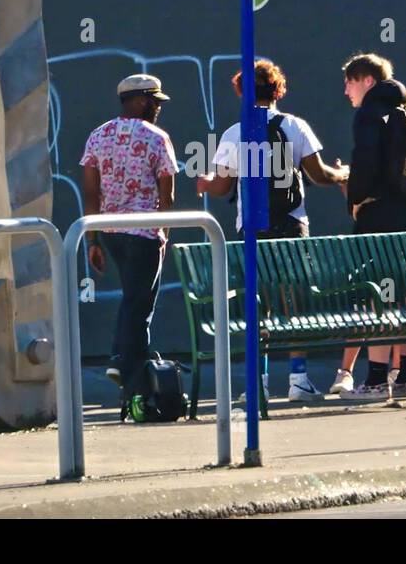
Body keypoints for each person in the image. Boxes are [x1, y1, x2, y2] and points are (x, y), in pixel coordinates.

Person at [197, 60, 349, 402]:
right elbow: (320, 175)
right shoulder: (295, 126)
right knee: (294, 300)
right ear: (278, 90)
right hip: (292, 225)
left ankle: (258, 384)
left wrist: (205, 183)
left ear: (242, 92)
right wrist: (343, 175)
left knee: (257, 302)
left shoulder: (235, 133)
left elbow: (222, 187)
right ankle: (298, 380)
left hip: (252, 228)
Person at [335, 53, 406, 402]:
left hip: (379, 222)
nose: (346, 91)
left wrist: (355, 196)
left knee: (379, 298)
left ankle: (374, 381)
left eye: (349, 82)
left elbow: (367, 165)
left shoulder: (370, 115)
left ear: (367, 81)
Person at [80, 74, 177, 387]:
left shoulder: (98, 135)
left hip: (110, 232)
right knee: (139, 303)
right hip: (145, 233)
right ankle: (121, 361)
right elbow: (168, 194)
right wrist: (164, 231)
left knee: (134, 299)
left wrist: (93, 240)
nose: (158, 107)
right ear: (140, 100)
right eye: (154, 101)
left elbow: (91, 192)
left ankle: (135, 379)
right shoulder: (156, 137)